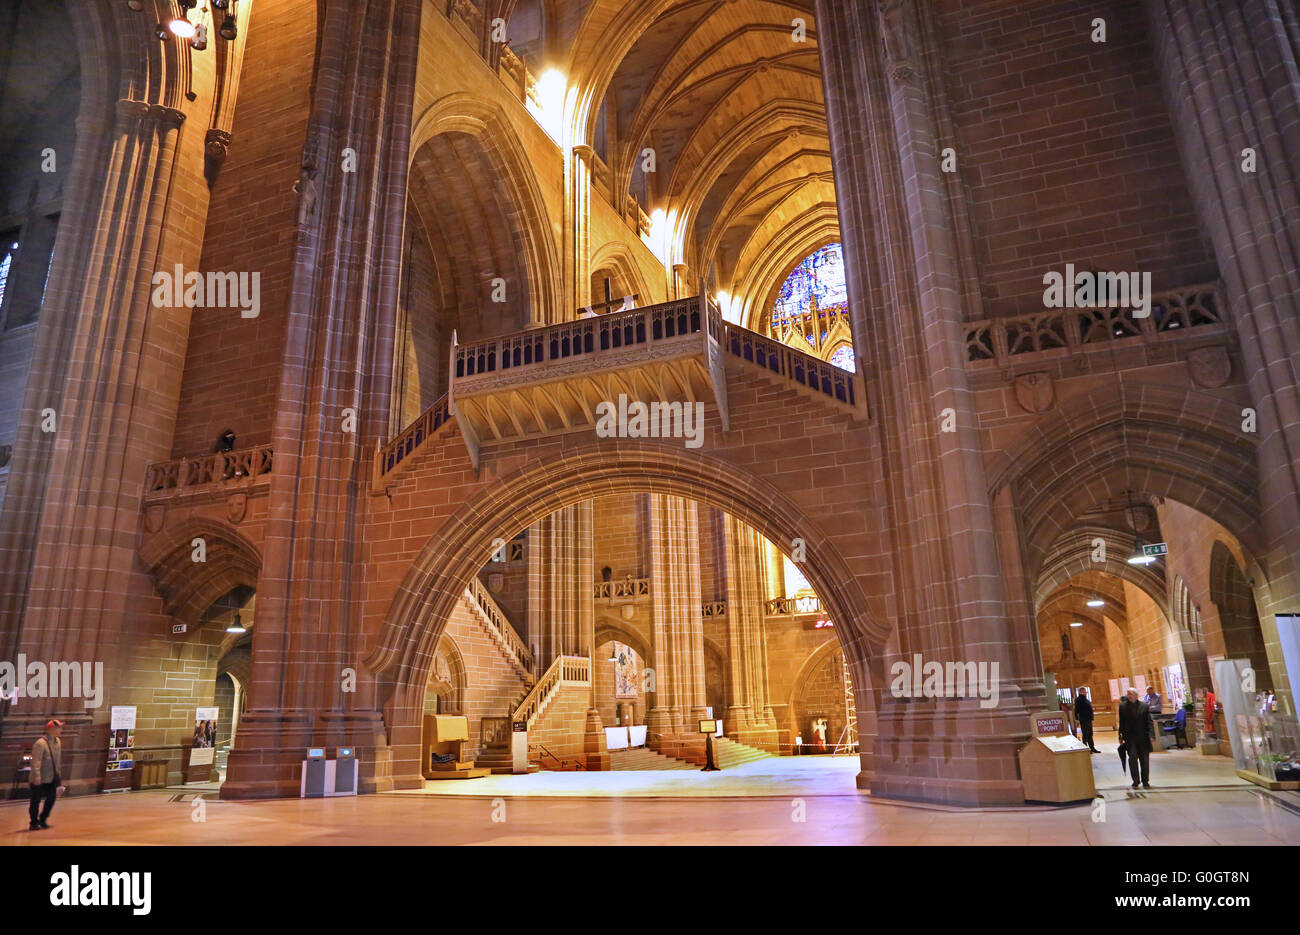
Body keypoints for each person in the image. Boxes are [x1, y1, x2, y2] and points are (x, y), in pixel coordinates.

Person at [29, 719, 64, 831]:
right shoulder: (40, 743)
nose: (61, 730)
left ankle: (43, 819)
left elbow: (57, 761)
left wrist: (58, 778)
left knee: (51, 799)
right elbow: (36, 761)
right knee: (35, 801)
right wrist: (37, 776)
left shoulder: (58, 741)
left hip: (52, 777)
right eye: (59, 727)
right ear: (51, 729)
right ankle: (34, 823)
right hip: (40, 778)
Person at [1118, 688, 1153, 790]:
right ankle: (1135, 780)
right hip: (1130, 738)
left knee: (1144, 760)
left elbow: (1149, 722)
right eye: (1128, 694)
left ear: (1136, 695)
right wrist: (1120, 736)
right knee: (1132, 759)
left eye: (1131, 694)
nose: (1129, 696)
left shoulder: (1144, 706)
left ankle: (1145, 780)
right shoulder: (1123, 706)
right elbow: (1121, 722)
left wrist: (1151, 735)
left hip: (1143, 738)